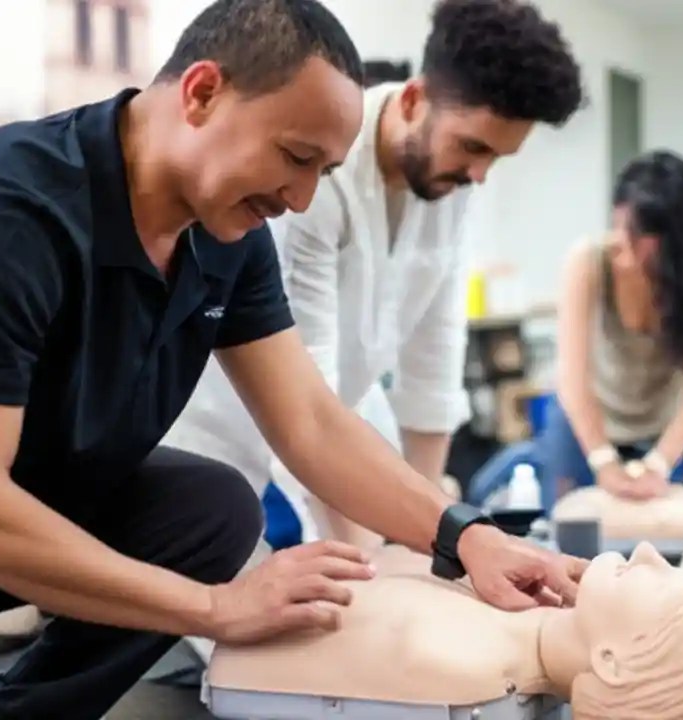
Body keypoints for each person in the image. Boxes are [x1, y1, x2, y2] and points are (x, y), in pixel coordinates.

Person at [0, 2, 583, 718]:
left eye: (324, 171)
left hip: (43, 496)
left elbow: (309, 421)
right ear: (203, 92)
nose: (302, 200)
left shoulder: (225, 241)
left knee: (212, 509)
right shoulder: (7, 211)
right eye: (297, 158)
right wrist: (215, 608)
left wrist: (468, 535)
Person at [165, 0, 584, 549]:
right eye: (472, 147)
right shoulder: (318, 177)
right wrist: (374, 561)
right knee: (250, 597)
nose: (479, 175)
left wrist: (441, 538)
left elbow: (432, 368)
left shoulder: (449, 185)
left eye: (496, 159)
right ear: (414, 99)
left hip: (347, 419)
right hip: (236, 429)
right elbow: (306, 403)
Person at [542, 151, 683, 506]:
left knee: (663, 534)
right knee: (569, 529)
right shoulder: (590, 261)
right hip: (587, 419)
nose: (632, 248)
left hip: (663, 427)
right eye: (627, 230)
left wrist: (660, 464)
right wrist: (603, 460)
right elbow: (573, 378)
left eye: (646, 240)